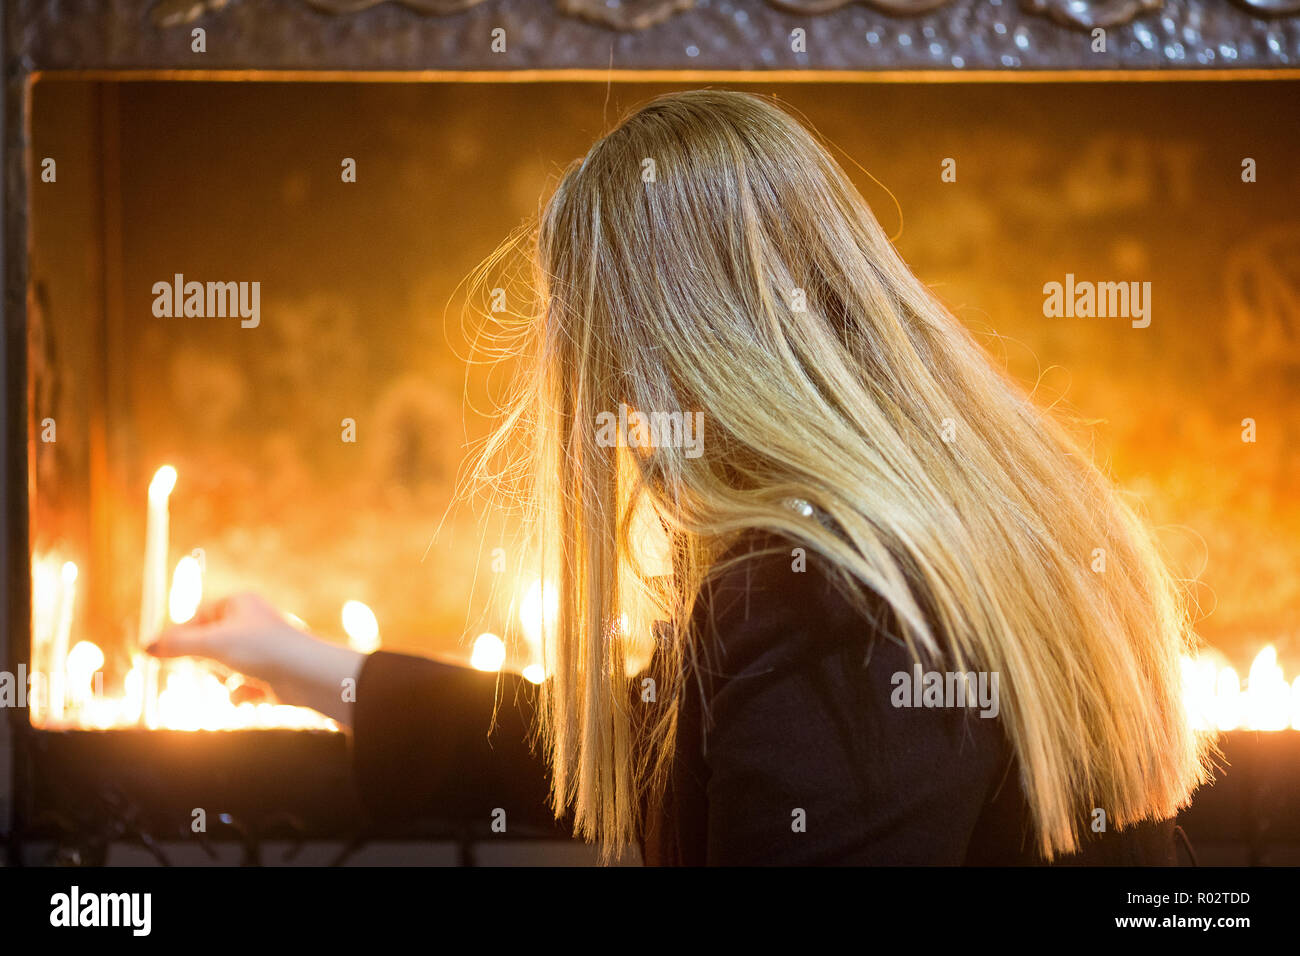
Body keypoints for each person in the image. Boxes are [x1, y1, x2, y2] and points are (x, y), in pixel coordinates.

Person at [149, 89, 1211, 865]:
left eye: (593, 340)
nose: (596, 402)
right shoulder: (965, 518)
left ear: (674, 351)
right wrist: (301, 661)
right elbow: (635, 735)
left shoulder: (827, 590)